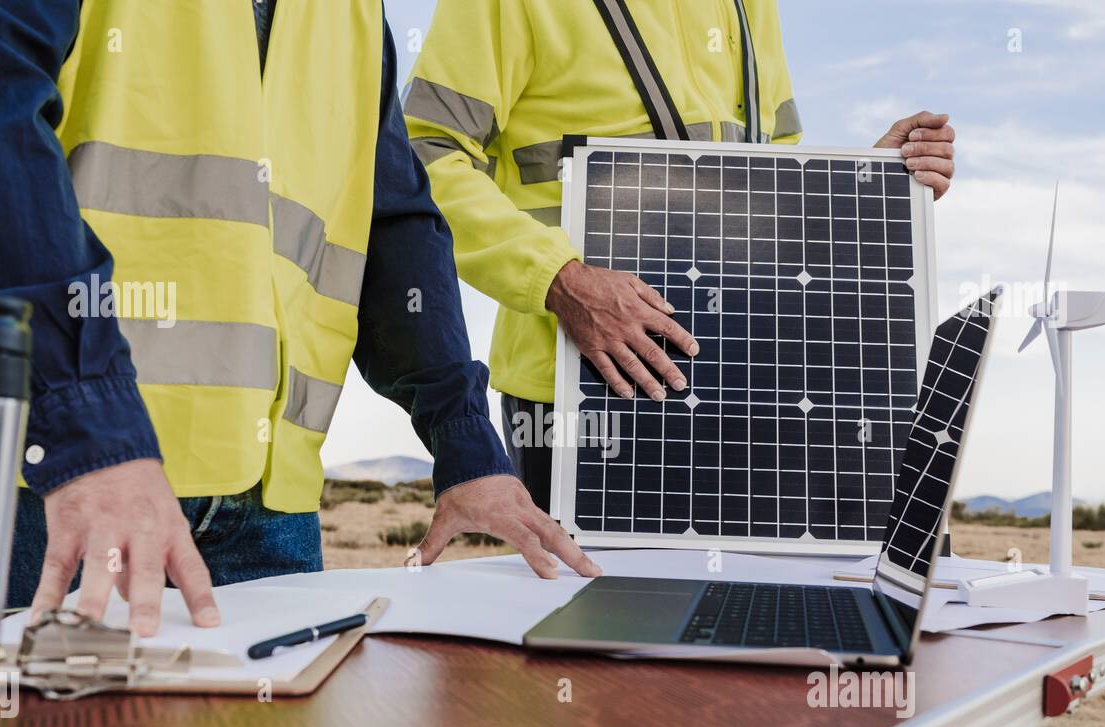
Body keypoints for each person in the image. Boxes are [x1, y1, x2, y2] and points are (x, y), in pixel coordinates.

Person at [0, 0, 600, 639]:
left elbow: (395, 219)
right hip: (47, 481)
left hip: (271, 510)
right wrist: (83, 423)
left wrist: (466, 443)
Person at [404, 0, 956, 510]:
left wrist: (870, 182)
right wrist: (558, 279)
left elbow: (775, 185)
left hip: (741, 381)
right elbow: (423, 156)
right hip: (581, 379)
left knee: (738, 609)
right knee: (588, 610)